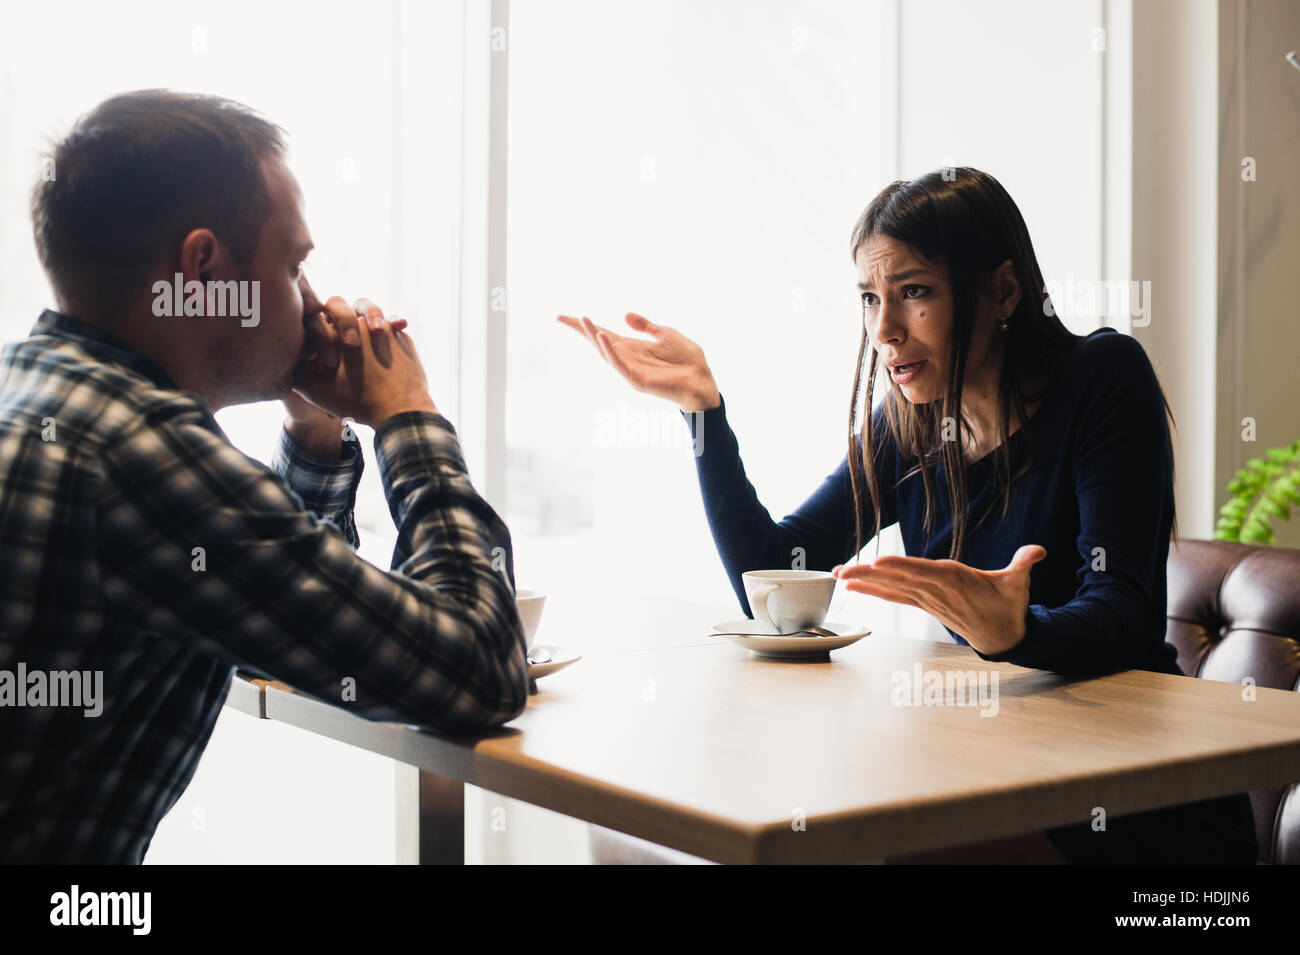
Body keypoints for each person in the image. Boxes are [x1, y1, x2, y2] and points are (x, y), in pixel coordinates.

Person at [558, 167, 1257, 864]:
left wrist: (1018, 629)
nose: (884, 329)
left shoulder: (1103, 377)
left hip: (1143, 807)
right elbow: (773, 579)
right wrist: (704, 416)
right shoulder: (909, 426)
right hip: (994, 770)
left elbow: (1124, 613)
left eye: (914, 292)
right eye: (869, 298)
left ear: (1002, 290)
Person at [0, 90, 527, 864]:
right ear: (204, 267)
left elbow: (263, 616)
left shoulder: (41, 391)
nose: (312, 303)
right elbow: (476, 671)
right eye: (293, 265)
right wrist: (408, 418)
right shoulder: (136, 452)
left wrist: (314, 439)